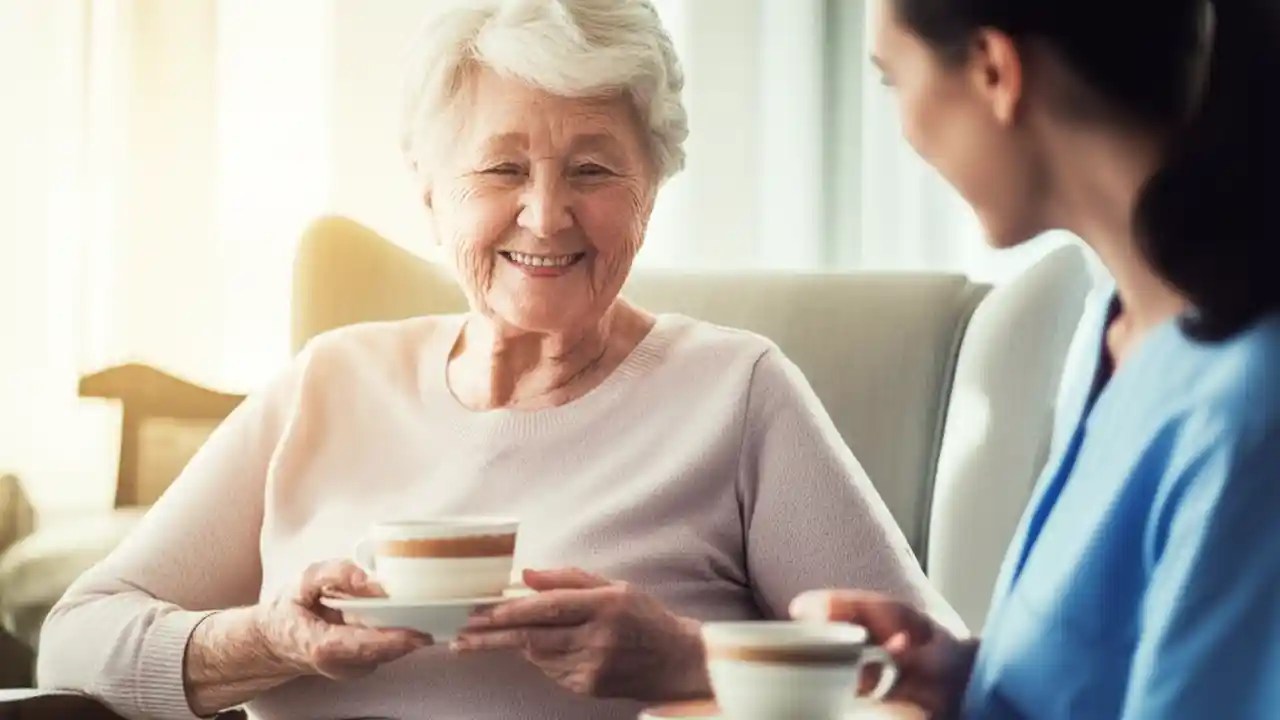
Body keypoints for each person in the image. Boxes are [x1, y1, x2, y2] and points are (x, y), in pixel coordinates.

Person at [36, 2, 956, 719]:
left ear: (652, 190)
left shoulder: (737, 392)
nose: (548, 216)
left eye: (594, 170)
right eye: (502, 169)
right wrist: (272, 642)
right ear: (432, 195)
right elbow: (77, 638)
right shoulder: (328, 383)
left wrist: (681, 657)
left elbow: (935, 684)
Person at [793, 0, 1280, 718]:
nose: (904, 131)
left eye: (893, 81)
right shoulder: (1107, 328)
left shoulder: (1247, 412)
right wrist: (968, 677)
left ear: (995, 70)